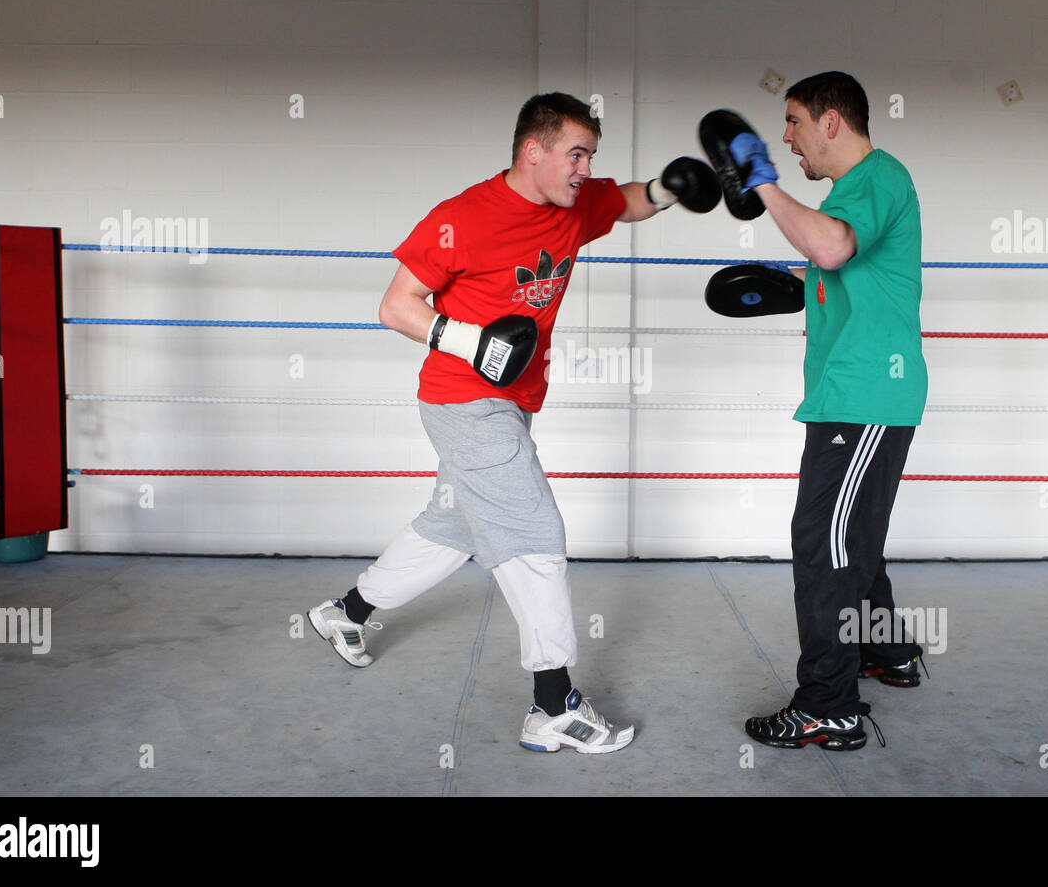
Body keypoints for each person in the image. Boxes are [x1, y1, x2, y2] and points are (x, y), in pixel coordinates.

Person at [309, 92, 718, 754]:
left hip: (513, 404)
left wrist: (674, 186)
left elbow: (628, 200)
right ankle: (553, 705)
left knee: (450, 527)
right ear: (535, 151)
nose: (586, 168)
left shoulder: (577, 203)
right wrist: (470, 341)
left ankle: (344, 614)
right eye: (576, 154)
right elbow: (395, 305)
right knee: (533, 532)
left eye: (592, 155)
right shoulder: (462, 218)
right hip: (464, 400)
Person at [721, 71, 928, 751]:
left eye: (793, 121)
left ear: (831, 121)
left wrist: (762, 183)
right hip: (863, 394)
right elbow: (837, 269)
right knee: (853, 536)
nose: (786, 138)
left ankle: (828, 706)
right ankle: (887, 650)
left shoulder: (874, 177)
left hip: (864, 395)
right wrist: (789, 285)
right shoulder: (856, 191)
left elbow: (831, 246)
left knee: (825, 542)